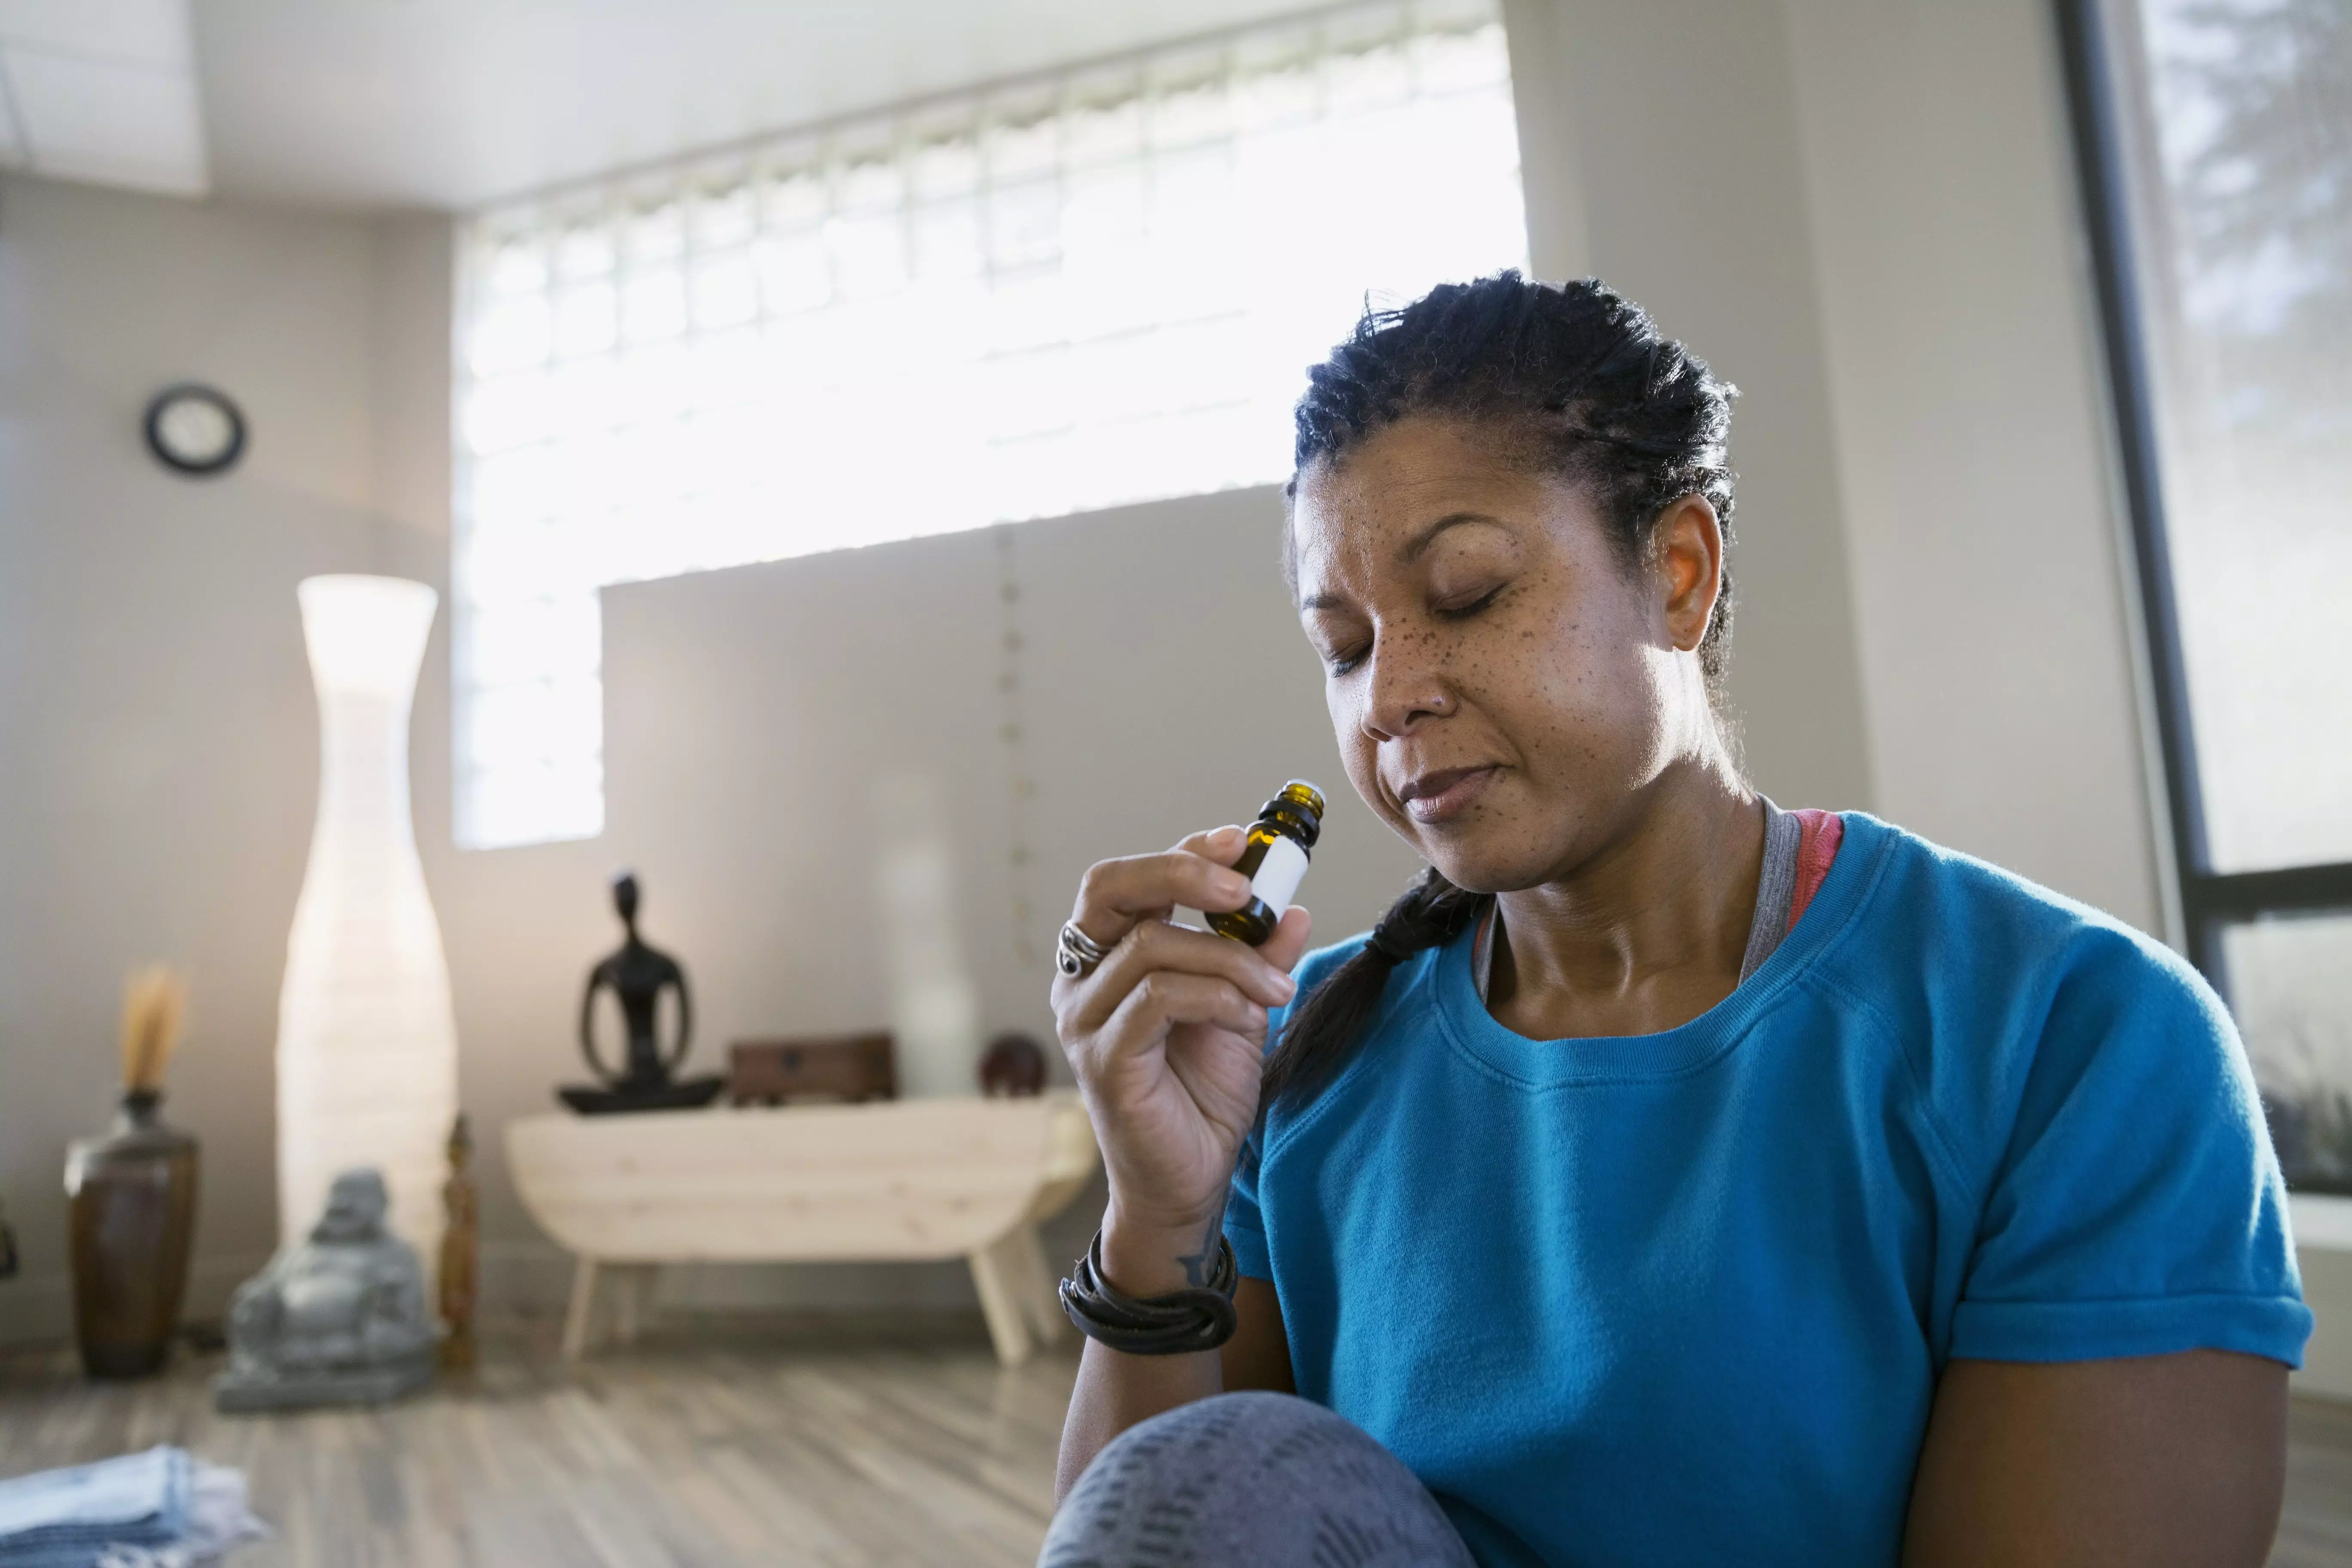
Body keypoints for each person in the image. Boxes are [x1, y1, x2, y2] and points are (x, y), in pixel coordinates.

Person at [1040, 273, 2309, 1567]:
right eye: (1346, 645)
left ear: (1681, 575)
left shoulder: (2073, 1039)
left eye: (1469, 593)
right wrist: (1159, 1214)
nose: (1391, 697)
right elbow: (1163, 1527)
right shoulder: (1295, 1052)